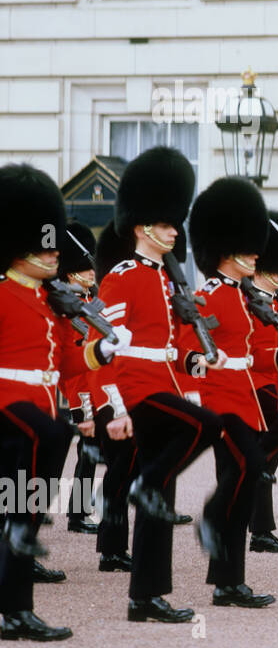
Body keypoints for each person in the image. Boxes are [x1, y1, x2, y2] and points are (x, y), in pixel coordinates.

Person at [96, 147, 224, 625]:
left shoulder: (168, 280)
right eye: (168, 223)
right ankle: (144, 486)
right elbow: (101, 344)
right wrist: (115, 407)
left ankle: (145, 597)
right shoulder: (123, 275)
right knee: (206, 427)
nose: (176, 231)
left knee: (162, 494)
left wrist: (193, 366)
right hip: (136, 388)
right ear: (142, 226)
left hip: (164, 382)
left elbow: (174, 344)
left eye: (176, 223)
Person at [0, 165, 111, 641]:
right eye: (43, 247)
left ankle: (16, 611)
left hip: (40, 406)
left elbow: (68, 362)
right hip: (8, 408)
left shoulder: (52, 302)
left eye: (54, 247)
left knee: (21, 515)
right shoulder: (2, 294)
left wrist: (102, 350)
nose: (52, 255)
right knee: (50, 440)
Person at [184, 175, 278, 608]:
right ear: (226, 252)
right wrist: (197, 377)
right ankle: (209, 517)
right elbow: (189, 353)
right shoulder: (207, 296)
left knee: (243, 485)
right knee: (249, 467)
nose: (257, 255)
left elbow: (252, 357)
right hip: (219, 400)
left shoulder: (246, 298)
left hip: (245, 399)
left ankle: (229, 582)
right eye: (249, 249)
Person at [246, 210, 278, 555]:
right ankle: (75, 509)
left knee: (267, 454)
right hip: (253, 381)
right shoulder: (248, 297)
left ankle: (260, 526)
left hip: (276, 380)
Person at [90, 220, 138, 575]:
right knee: (119, 472)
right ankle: (111, 547)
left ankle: (117, 543)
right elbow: (101, 353)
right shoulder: (116, 282)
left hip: (137, 391)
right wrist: (113, 405)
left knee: (127, 469)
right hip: (113, 396)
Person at [55, 220, 103, 540]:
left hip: (99, 388)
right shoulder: (68, 309)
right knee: (82, 453)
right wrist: (82, 405)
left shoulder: (89, 303)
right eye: (85, 270)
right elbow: (72, 365)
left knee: (90, 453)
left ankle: (77, 510)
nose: (91, 273)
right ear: (71, 274)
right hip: (80, 389)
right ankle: (74, 512)